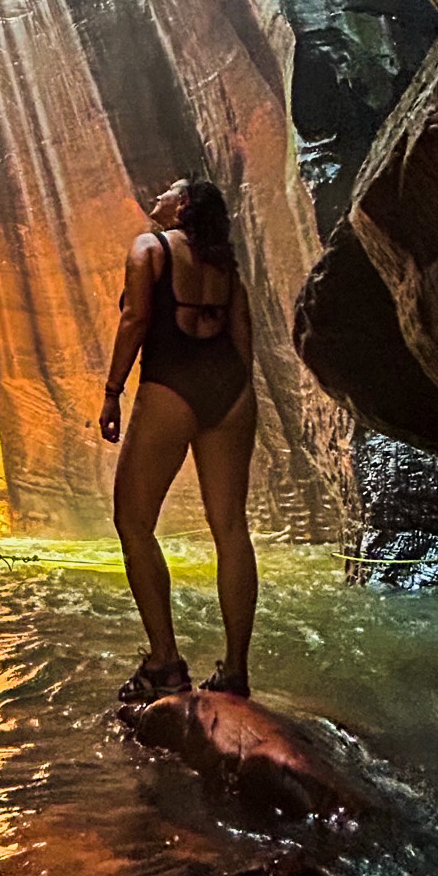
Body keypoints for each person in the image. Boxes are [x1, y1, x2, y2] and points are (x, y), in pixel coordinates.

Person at [99, 173, 257, 703]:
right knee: (231, 528)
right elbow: (243, 342)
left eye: (166, 191)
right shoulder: (226, 267)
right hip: (231, 389)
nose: (156, 196)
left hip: (173, 382)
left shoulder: (150, 247)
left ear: (184, 204)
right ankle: (234, 670)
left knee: (133, 520)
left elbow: (135, 319)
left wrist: (113, 391)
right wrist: (234, 395)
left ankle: (164, 661)